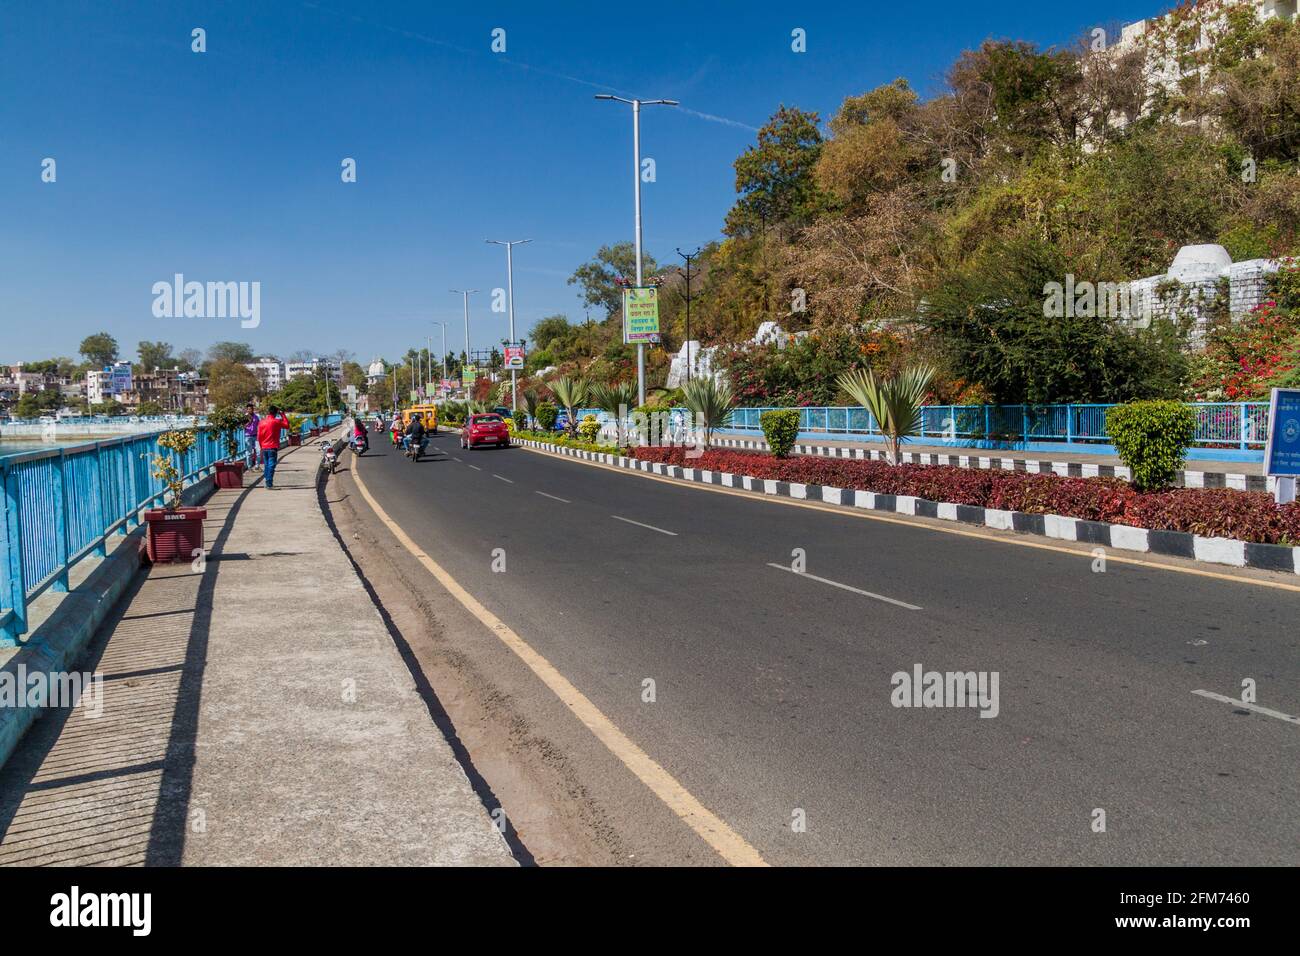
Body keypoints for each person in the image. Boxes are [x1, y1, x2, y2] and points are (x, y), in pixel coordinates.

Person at [257, 404, 291, 489]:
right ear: (276, 413)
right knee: (271, 465)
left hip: (264, 447)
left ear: (268, 412)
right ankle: (269, 483)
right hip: (273, 446)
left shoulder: (262, 422)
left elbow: (259, 436)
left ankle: (267, 481)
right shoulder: (277, 422)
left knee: (266, 465)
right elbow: (287, 425)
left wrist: (261, 446)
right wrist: (282, 414)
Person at [243, 403, 261, 470]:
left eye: (251, 409)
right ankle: (249, 467)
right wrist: (249, 422)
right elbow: (243, 426)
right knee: (249, 453)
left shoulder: (256, 416)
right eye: (249, 409)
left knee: (258, 451)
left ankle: (257, 466)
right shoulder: (245, 417)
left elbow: (259, 425)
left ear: (253, 409)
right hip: (248, 436)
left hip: (256, 436)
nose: (250, 410)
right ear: (247, 410)